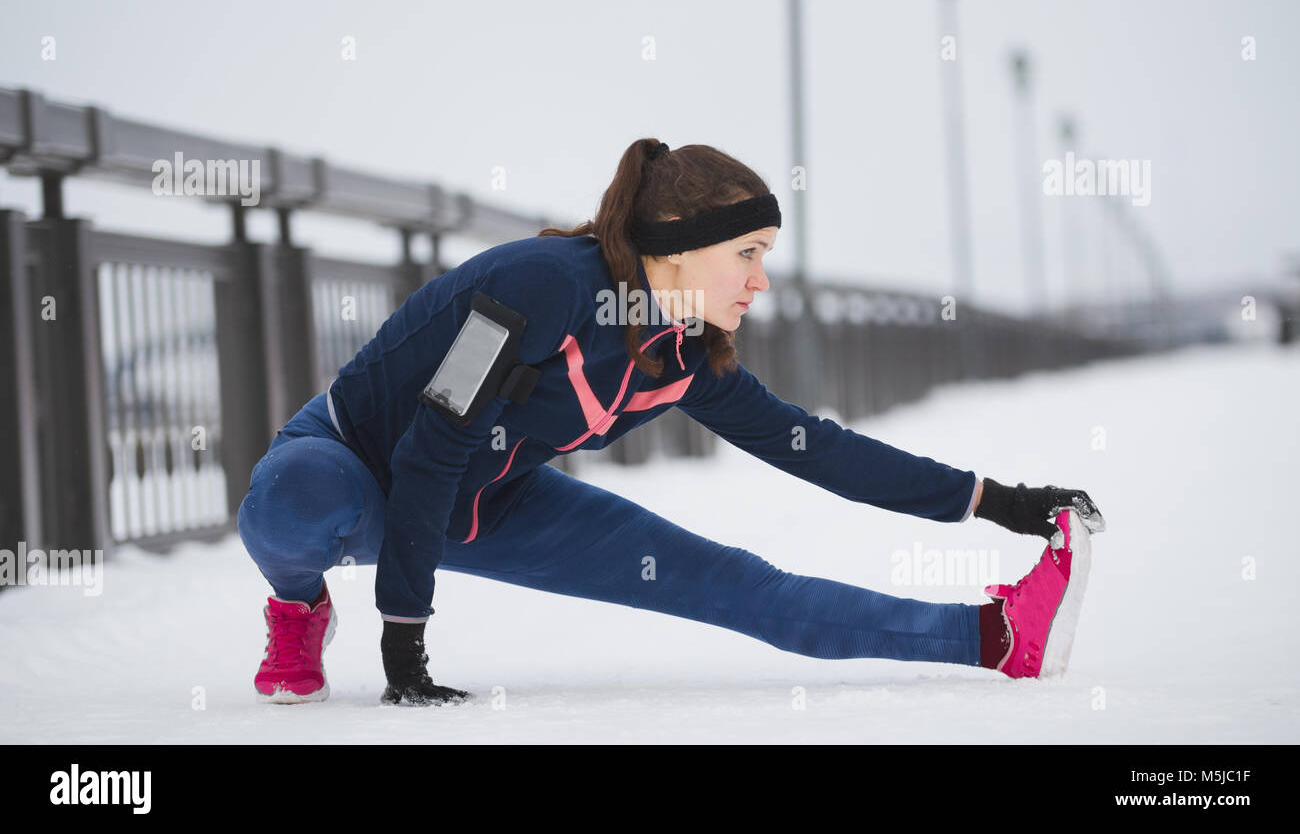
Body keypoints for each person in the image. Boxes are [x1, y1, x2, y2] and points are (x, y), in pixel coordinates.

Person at [236, 138, 1106, 706]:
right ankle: (298, 606)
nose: (759, 280)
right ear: (680, 244)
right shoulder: (537, 288)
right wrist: (404, 642)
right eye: (748, 254)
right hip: (359, 464)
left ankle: (994, 636)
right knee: (291, 501)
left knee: (740, 585)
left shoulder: (681, 355)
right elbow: (430, 449)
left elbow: (822, 451)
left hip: (487, 503)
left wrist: (997, 502)